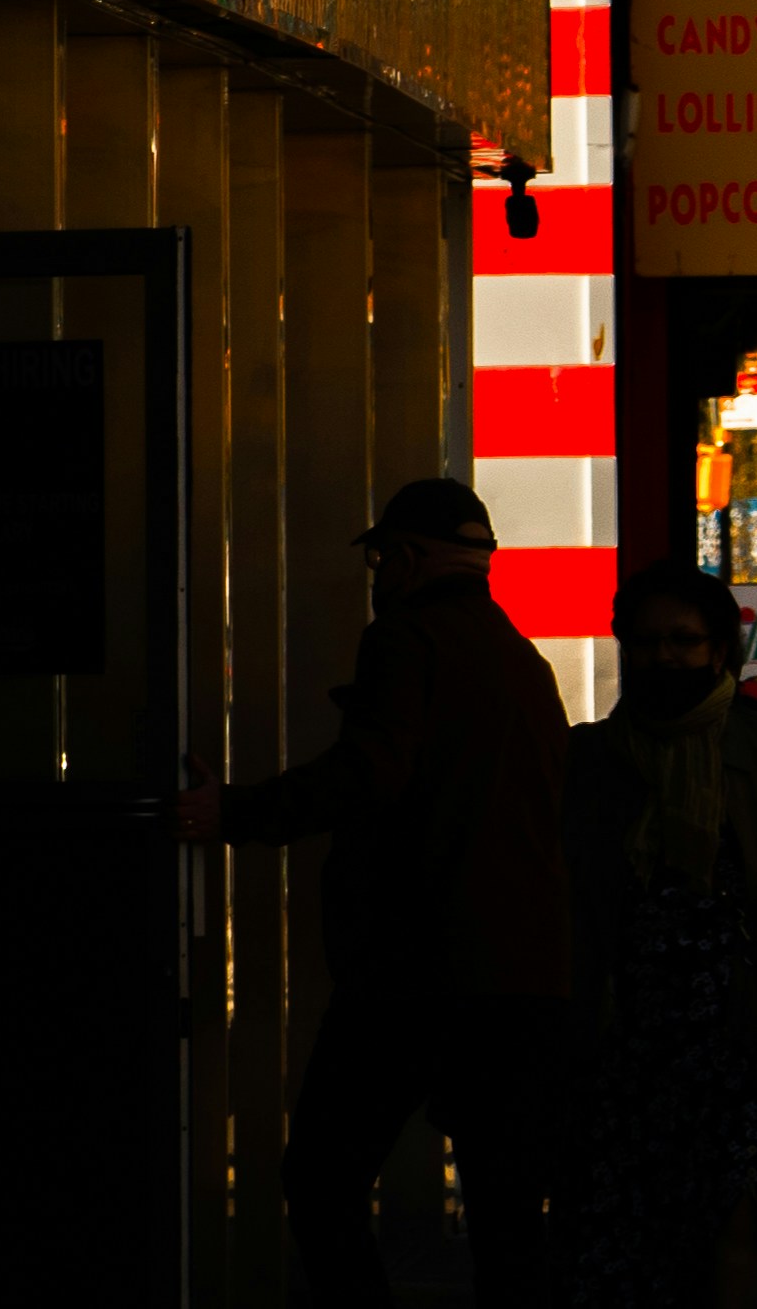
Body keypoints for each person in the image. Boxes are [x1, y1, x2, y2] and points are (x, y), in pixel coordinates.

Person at [178, 468, 570, 1305]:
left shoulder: (404, 639)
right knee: (505, 1210)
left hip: (416, 970)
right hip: (521, 974)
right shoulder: (520, 659)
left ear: (404, 556)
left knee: (321, 1176)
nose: (376, 581)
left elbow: (369, 772)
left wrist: (233, 812)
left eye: (379, 562)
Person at [561, 560, 757, 1309]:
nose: (664, 655)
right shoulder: (590, 759)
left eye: (683, 638)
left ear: (718, 650)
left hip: (753, 1034)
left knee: (746, 1221)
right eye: (646, 641)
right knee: (637, 1230)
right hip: (630, 1044)